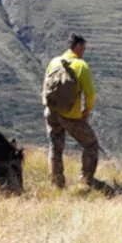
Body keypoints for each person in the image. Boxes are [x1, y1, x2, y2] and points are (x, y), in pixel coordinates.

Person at [43, 34, 99, 188]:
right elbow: (90, 94)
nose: (84, 52)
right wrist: (86, 111)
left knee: (55, 147)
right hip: (71, 115)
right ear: (78, 47)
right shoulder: (81, 65)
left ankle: (57, 184)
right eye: (84, 48)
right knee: (91, 145)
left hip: (51, 111)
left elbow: (45, 86)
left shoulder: (54, 62)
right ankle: (85, 181)